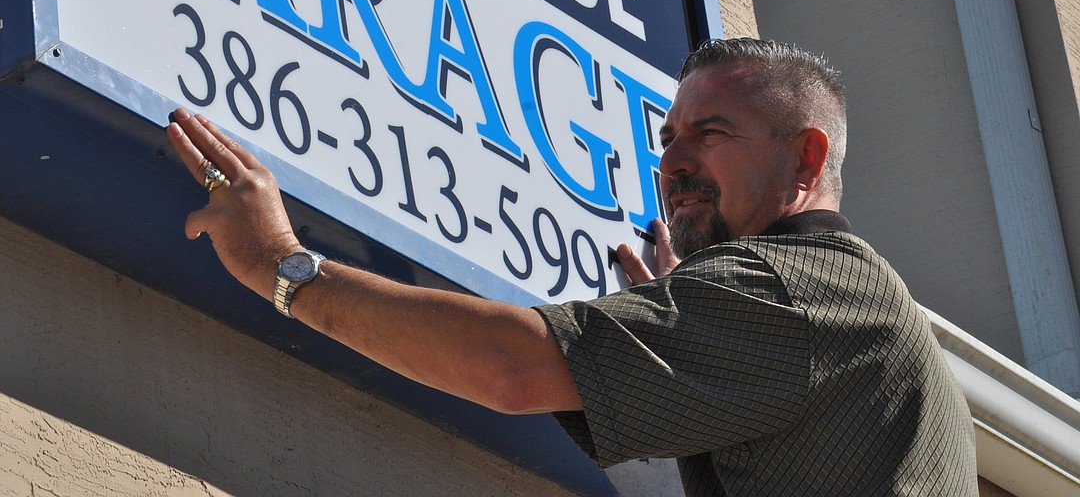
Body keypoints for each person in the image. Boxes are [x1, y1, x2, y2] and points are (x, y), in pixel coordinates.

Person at [166, 37, 979, 496]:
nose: (675, 164)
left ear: (807, 159)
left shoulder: (797, 293)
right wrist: (684, 317)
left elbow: (513, 367)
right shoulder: (846, 314)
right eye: (667, 142)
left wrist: (284, 266)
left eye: (713, 134)